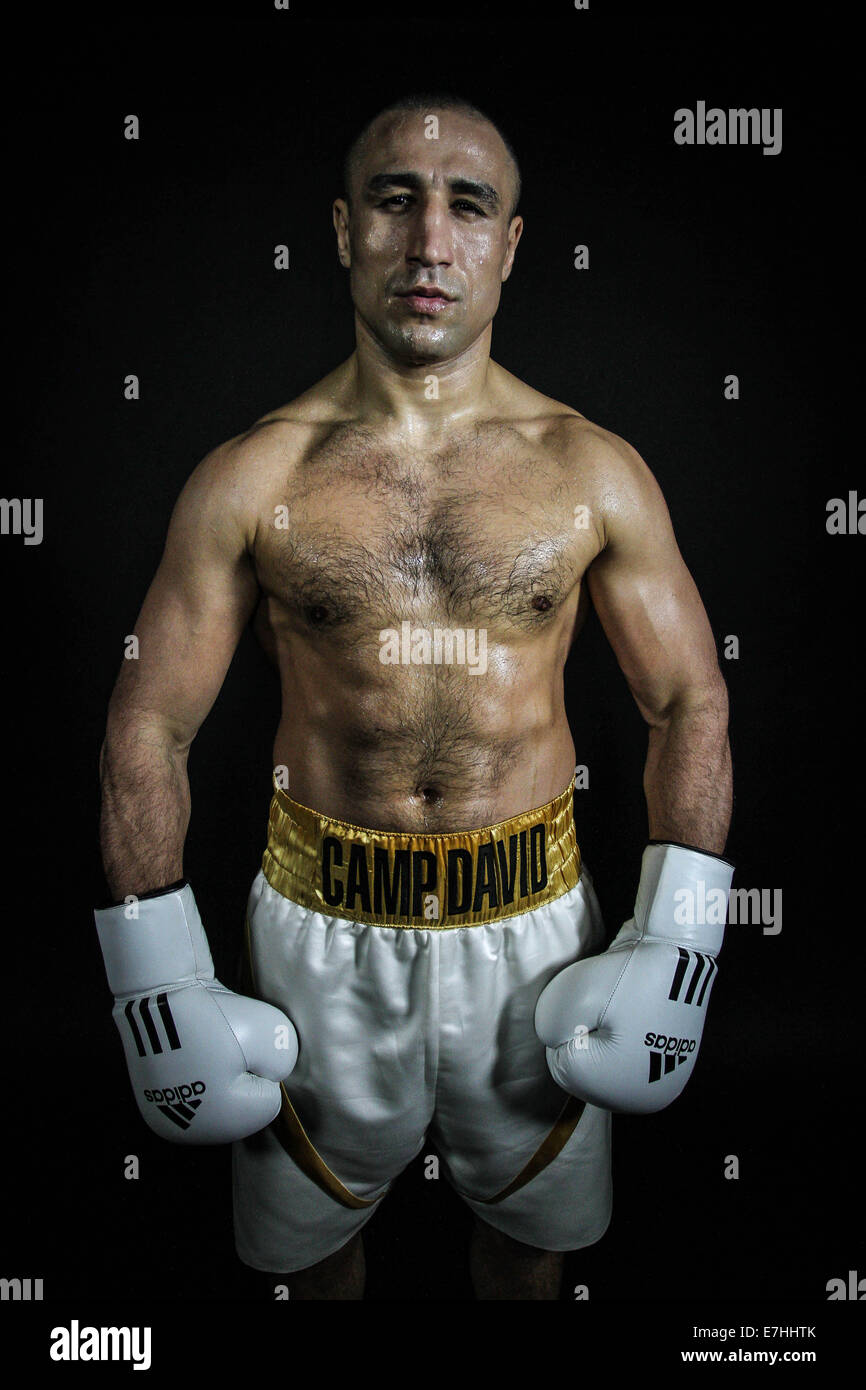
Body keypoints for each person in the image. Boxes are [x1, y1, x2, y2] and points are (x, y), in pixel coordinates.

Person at [94, 92, 734, 1300]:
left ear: (508, 244)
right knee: (315, 1262)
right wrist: (155, 976)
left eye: (465, 205)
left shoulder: (590, 468)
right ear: (342, 230)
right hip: (316, 941)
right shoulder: (254, 473)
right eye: (395, 200)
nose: (428, 240)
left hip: (537, 936)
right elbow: (149, 720)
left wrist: (677, 944)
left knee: (530, 1257)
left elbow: (688, 700)